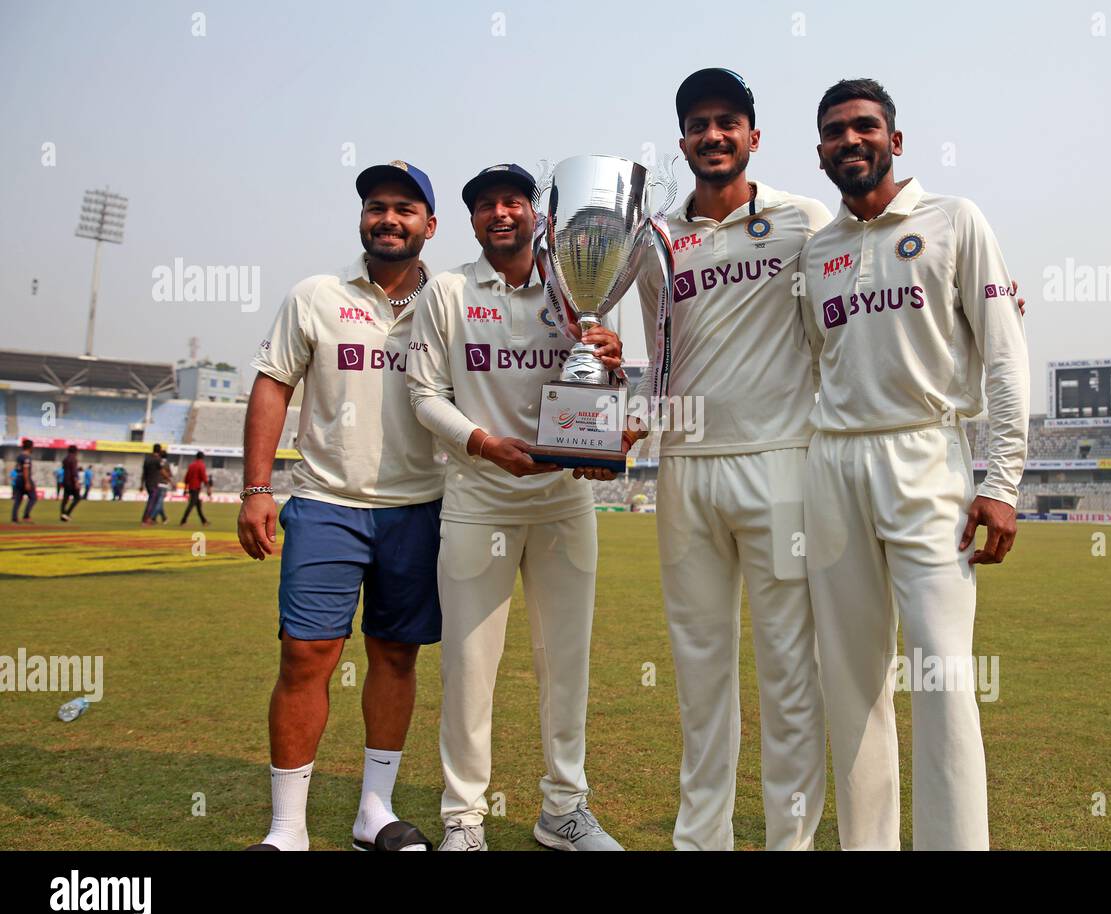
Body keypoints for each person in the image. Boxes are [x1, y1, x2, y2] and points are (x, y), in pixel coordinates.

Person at [799, 78, 1030, 850]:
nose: (850, 141)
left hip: (926, 455)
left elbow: (1004, 356)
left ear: (895, 141)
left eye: (865, 127)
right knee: (851, 679)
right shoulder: (818, 250)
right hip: (832, 465)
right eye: (835, 132)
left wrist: (1001, 483)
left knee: (942, 675)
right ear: (822, 151)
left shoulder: (954, 221)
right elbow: (811, 364)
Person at [623, 68, 831, 851]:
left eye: (727, 122)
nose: (713, 135)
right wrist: (627, 423)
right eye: (698, 123)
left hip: (781, 462)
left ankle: (790, 842)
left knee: (788, 674)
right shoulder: (656, 242)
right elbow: (659, 359)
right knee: (699, 670)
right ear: (682, 141)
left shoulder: (802, 221)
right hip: (687, 470)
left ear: (752, 135)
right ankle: (700, 840)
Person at [407, 163, 625, 852]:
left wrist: (615, 364)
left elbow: (610, 389)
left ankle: (563, 808)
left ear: (536, 212)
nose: (500, 213)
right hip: (477, 501)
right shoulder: (446, 291)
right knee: (470, 669)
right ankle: (462, 819)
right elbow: (423, 394)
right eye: (485, 205)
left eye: (513, 201)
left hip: (564, 502)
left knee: (567, 663)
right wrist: (481, 444)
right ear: (471, 220)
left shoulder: (578, 286)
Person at [238, 159, 445, 852]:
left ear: (429, 225)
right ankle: (287, 828)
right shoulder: (315, 295)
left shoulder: (448, 301)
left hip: (419, 507)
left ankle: (373, 814)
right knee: (306, 655)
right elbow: (273, 385)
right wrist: (257, 489)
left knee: (395, 657)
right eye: (376, 206)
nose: (388, 218)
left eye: (404, 208)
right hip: (326, 503)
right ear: (364, 218)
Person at [180, 452, 211, 526]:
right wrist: (208, 488)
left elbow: (186, 478)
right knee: (191, 504)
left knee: (198, 504)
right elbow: (204, 478)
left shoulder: (191, 465)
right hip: (196, 488)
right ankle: (183, 521)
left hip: (191, 487)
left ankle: (204, 521)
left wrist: (185, 489)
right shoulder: (201, 465)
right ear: (202, 458)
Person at [10, 438, 36, 523]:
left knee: (18, 499)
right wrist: (27, 482)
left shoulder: (19, 456)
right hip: (24, 478)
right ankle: (26, 516)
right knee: (33, 497)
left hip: (18, 478)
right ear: (30, 447)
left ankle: (14, 518)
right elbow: (25, 469)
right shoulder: (26, 457)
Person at [141, 444, 164, 525]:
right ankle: (145, 520)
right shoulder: (157, 459)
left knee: (153, 500)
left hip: (147, 483)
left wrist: (141, 484)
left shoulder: (147, 459)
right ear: (159, 450)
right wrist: (169, 479)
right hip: (154, 483)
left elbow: (144, 473)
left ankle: (149, 518)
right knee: (152, 502)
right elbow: (162, 471)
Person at [59, 446, 81, 521]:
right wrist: (76, 482)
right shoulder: (73, 459)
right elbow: (74, 471)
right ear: (75, 451)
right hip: (71, 482)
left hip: (65, 481)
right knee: (77, 498)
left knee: (65, 499)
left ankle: (62, 514)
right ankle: (67, 513)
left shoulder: (65, 459)